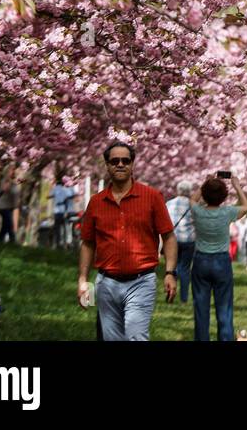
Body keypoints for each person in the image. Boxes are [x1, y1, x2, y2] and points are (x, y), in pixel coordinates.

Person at [76, 140, 178, 341]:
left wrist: (170, 273)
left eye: (125, 160)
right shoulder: (96, 202)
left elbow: (168, 236)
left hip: (141, 281)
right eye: (115, 161)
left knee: (136, 336)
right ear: (107, 166)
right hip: (106, 284)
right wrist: (83, 280)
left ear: (132, 164)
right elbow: (88, 243)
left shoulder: (152, 197)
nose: (120, 164)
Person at [191, 173, 247, 341]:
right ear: (224, 196)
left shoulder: (197, 211)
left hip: (201, 261)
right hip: (221, 261)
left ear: (204, 193)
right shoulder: (227, 212)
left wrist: (205, 183)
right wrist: (237, 186)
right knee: (224, 308)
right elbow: (246, 206)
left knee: (201, 308)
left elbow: (193, 200)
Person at [166, 180, 198, 303]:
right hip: (188, 240)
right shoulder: (192, 205)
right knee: (184, 269)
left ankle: (170, 295)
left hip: (172, 240)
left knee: (171, 267)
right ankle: (183, 299)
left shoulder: (169, 203)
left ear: (178, 190)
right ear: (189, 192)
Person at [52, 175, 79, 248]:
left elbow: (74, 199)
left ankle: (66, 243)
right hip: (69, 212)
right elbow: (76, 199)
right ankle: (68, 242)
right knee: (68, 228)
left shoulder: (64, 190)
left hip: (67, 212)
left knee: (66, 228)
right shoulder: (70, 190)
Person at [0, 172, 18, 244]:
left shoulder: (14, 183)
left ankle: (0, 240)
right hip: (3, 206)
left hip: (10, 206)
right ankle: (12, 241)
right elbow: (4, 189)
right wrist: (9, 183)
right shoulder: (5, 181)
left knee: (5, 225)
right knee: (10, 224)